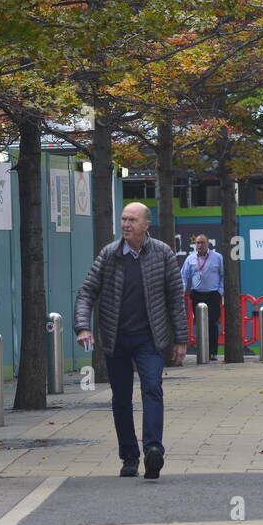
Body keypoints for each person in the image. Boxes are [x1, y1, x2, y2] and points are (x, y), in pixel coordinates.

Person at [75, 203, 187, 479]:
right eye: (123, 219)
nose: (126, 224)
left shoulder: (162, 253)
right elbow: (88, 291)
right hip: (116, 338)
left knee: (152, 389)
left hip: (151, 337)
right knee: (121, 399)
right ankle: (129, 456)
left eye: (132, 220)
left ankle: (153, 450)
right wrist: (82, 327)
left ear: (146, 225)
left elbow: (175, 298)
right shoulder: (110, 254)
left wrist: (181, 339)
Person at [181, 234, 225, 360]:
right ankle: (202, 351)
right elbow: (184, 276)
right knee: (200, 323)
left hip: (213, 294)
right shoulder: (190, 259)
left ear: (208, 243)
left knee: (212, 322)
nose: (200, 245)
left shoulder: (217, 257)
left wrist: (220, 291)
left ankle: (213, 352)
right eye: (198, 243)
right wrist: (183, 289)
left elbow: (223, 275)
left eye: (202, 242)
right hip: (197, 294)